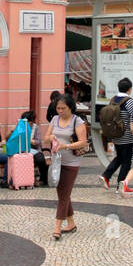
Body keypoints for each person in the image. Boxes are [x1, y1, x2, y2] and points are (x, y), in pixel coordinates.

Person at [43, 93, 88, 237]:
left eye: (63, 108)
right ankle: (71, 223)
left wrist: (65, 146)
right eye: (58, 108)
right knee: (63, 193)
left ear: (70, 107)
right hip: (57, 161)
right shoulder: (55, 119)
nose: (60, 111)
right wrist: (50, 138)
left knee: (63, 195)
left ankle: (57, 227)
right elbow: (45, 139)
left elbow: (83, 142)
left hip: (71, 162)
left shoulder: (78, 121)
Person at [99, 78, 133, 189]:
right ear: (129, 89)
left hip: (115, 136)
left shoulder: (113, 100)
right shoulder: (129, 101)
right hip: (127, 136)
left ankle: (106, 175)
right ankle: (121, 185)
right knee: (126, 162)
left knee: (119, 157)